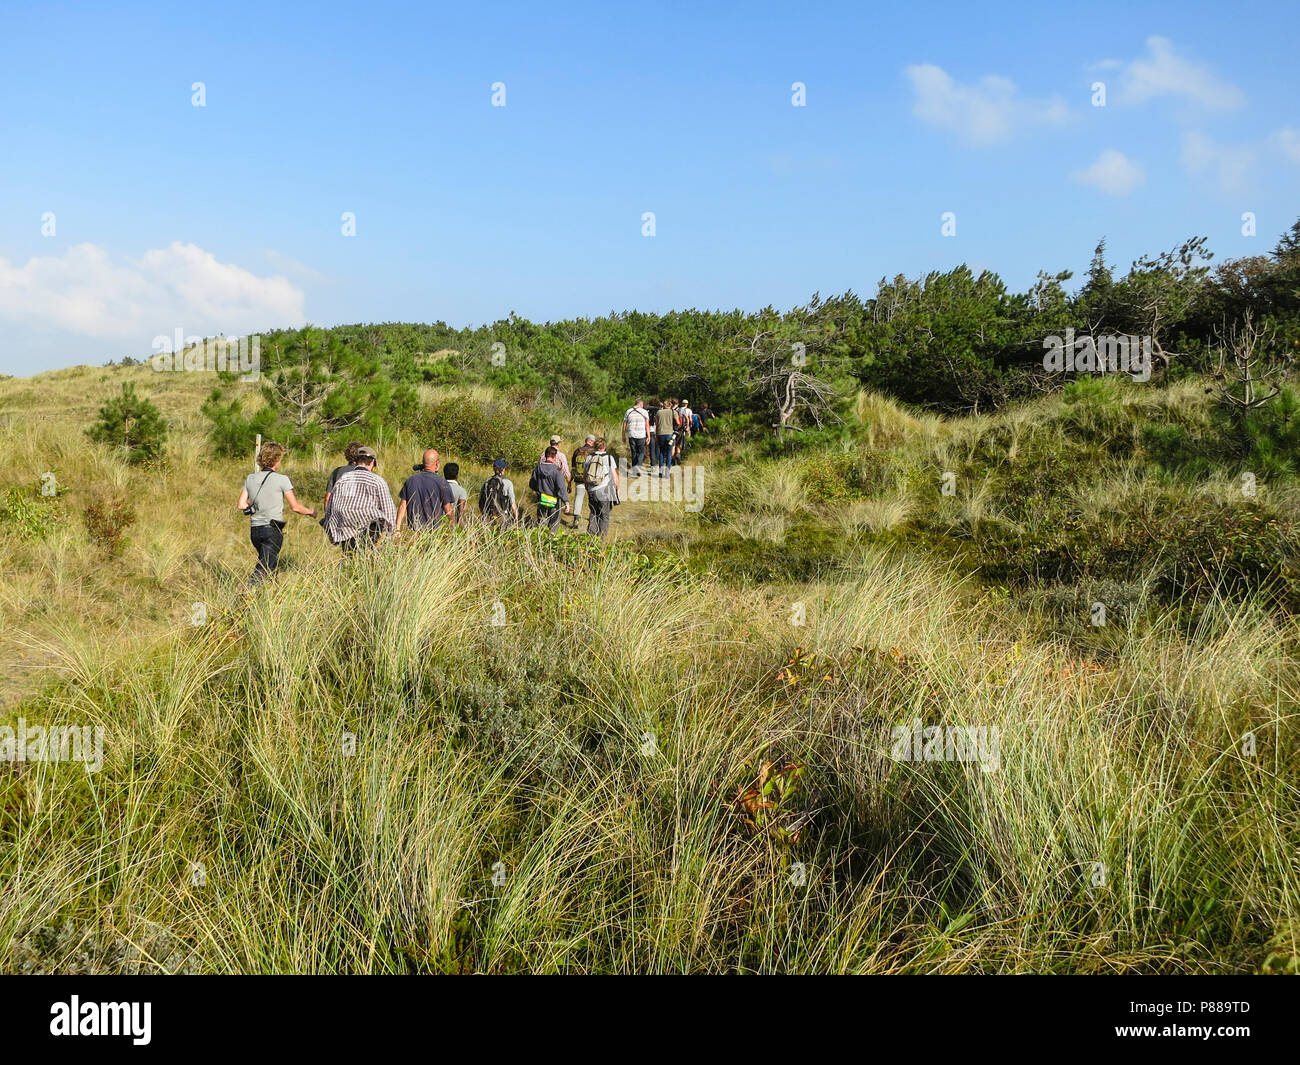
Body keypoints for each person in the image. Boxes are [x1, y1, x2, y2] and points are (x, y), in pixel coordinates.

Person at [236, 441, 317, 585]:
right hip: (272, 529)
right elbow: (295, 507)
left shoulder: (250, 478)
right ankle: (246, 594)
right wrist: (311, 512)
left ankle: (274, 594)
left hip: (255, 530)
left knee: (270, 564)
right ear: (277, 460)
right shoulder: (282, 480)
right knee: (263, 567)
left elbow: (241, 504)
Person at [323, 446, 396, 552]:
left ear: (356, 462)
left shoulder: (343, 479)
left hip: (344, 530)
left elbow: (330, 506)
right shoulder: (377, 481)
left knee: (350, 557)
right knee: (369, 558)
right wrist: (390, 533)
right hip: (369, 530)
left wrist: (331, 531)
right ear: (372, 463)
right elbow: (389, 511)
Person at [396, 448, 456, 534]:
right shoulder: (442, 483)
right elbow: (448, 509)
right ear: (437, 464)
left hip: (413, 533)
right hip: (434, 533)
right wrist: (454, 528)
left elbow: (402, 506)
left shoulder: (410, 480)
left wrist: (397, 529)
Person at [580, 437, 619, 538]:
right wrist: (616, 490)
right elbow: (615, 477)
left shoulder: (589, 457)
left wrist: (587, 488)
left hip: (592, 490)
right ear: (604, 447)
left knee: (593, 513)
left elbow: (584, 475)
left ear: (595, 447)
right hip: (604, 490)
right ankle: (602, 539)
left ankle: (590, 538)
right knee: (604, 515)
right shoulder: (609, 458)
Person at [529, 446, 569, 532]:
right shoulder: (557, 470)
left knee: (541, 523)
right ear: (555, 457)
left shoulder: (538, 468)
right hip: (554, 501)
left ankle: (540, 542)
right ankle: (551, 543)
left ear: (545, 455)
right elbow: (561, 487)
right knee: (553, 525)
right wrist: (566, 502)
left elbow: (532, 484)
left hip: (542, 499)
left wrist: (538, 491)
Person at [323, 441, 364, 516]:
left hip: (338, 515)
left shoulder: (337, 471)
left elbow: (327, 498)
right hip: (359, 516)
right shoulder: (365, 473)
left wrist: (327, 517)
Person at [478, 458, 518, 527]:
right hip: (502, 516)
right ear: (503, 469)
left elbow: (481, 501)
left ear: (494, 469)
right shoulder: (508, 483)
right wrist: (516, 518)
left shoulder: (487, 482)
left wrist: (484, 514)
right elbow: (513, 503)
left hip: (488, 516)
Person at [569, 434, 596, 528]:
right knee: (592, 499)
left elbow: (573, 467)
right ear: (592, 442)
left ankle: (576, 519)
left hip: (579, 479)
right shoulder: (593, 452)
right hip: (590, 480)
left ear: (586, 441)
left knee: (578, 498)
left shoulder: (577, 451)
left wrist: (570, 481)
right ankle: (593, 519)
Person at [622, 399, 651, 476]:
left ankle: (634, 470)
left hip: (631, 435)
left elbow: (624, 424)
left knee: (634, 452)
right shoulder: (644, 412)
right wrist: (649, 436)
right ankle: (638, 466)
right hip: (641, 435)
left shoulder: (628, 411)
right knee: (641, 452)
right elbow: (647, 425)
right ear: (641, 404)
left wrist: (623, 435)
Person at [654, 398, 675, 477]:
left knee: (661, 452)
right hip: (669, 434)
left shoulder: (658, 412)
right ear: (670, 405)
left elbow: (656, 424)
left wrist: (656, 435)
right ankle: (667, 472)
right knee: (669, 453)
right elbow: (678, 422)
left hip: (660, 434)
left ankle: (661, 472)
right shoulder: (673, 412)